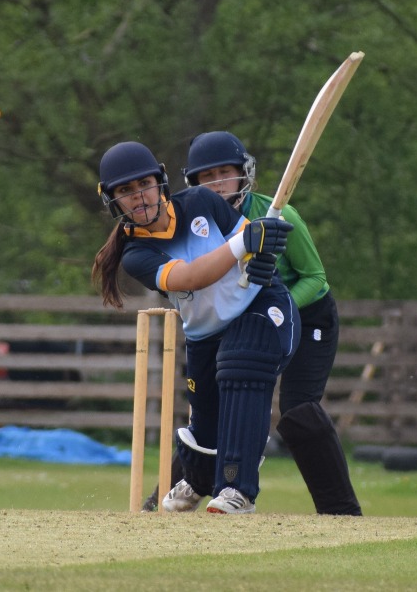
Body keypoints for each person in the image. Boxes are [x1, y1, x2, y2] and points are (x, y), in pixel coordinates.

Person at [92, 141, 297, 514]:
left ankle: (237, 490)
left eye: (143, 185)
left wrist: (266, 253)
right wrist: (243, 245)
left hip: (262, 308)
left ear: (160, 182)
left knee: (242, 361)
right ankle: (199, 480)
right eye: (125, 191)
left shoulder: (202, 201)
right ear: (113, 201)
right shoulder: (137, 254)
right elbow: (190, 276)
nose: (138, 197)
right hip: (204, 335)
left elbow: (255, 237)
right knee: (203, 432)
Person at [181, 130, 361, 516]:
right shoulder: (199, 229)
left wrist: (266, 314)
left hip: (308, 315)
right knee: (218, 401)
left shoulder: (278, 214)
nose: (217, 184)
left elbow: (316, 279)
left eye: (224, 173)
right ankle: (190, 488)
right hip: (240, 322)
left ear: (243, 174)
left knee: (298, 412)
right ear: (193, 185)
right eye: (206, 178)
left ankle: (342, 513)